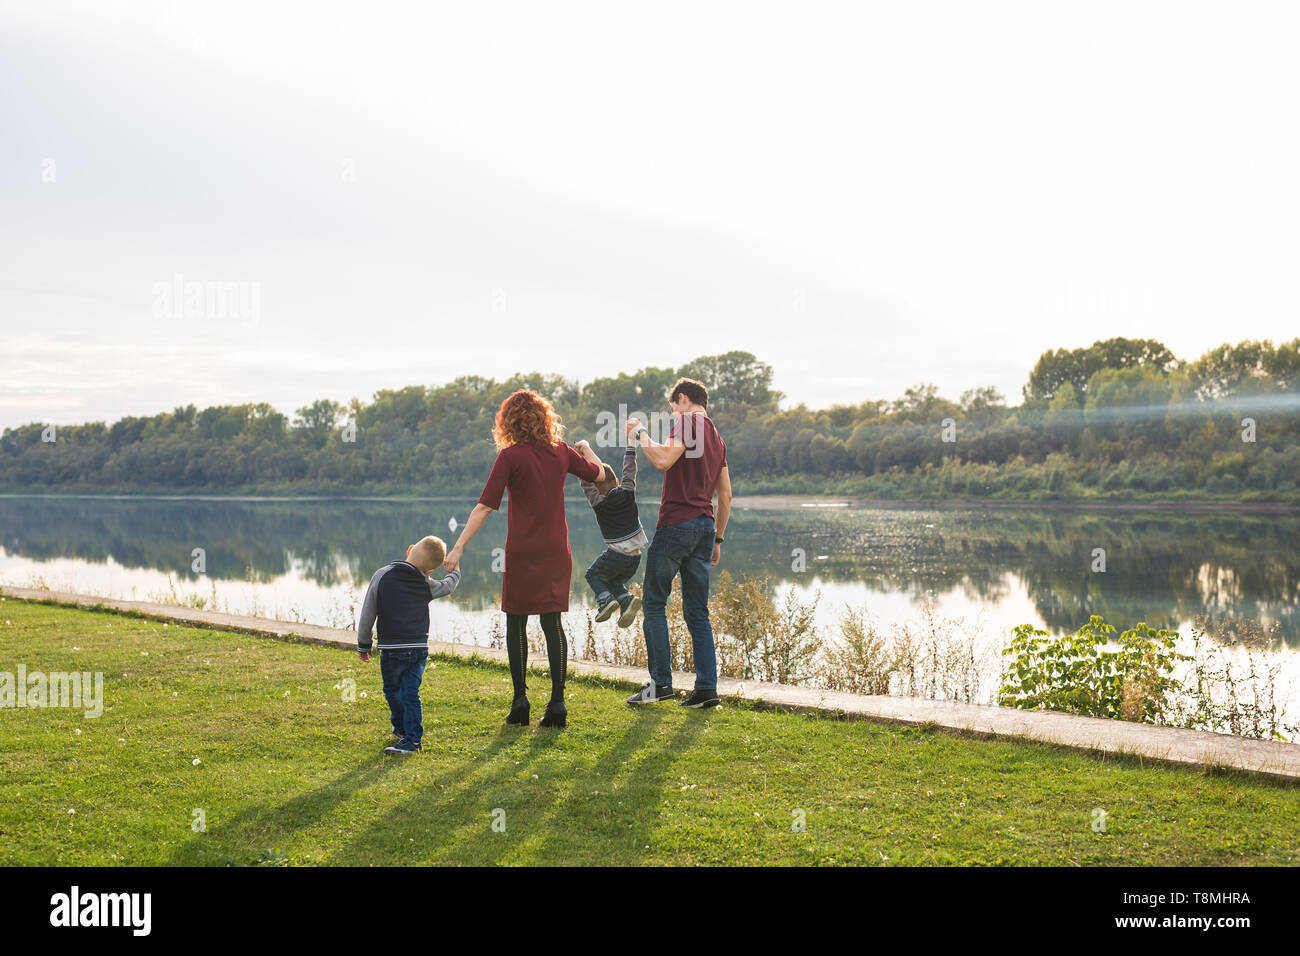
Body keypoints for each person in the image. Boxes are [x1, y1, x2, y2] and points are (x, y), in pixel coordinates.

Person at [443, 389, 604, 729]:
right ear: (546, 419)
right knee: (552, 623)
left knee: (516, 622)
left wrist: (458, 547)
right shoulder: (562, 453)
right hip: (556, 551)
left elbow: (485, 506)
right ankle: (557, 704)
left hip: (521, 551)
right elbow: (601, 477)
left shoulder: (509, 457)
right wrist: (588, 452)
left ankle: (520, 702)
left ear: (509, 422)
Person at [624, 377, 731, 709]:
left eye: (672, 406)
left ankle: (661, 685)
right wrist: (717, 539)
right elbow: (725, 497)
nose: (672, 413)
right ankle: (706, 690)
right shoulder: (717, 437)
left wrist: (641, 433)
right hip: (704, 528)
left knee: (654, 604)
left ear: (683, 399)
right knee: (697, 612)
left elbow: (662, 461)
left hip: (676, 525)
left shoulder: (686, 423)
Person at [356, 535, 461, 755]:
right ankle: (408, 735)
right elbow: (447, 587)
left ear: (409, 549)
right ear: (430, 570)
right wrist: (455, 572)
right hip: (418, 650)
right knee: (411, 692)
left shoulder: (381, 575)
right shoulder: (425, 582)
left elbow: (368, 613)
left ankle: (407, 735)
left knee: (393, 690)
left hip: (392, 650)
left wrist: (364, 644)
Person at [573, 436, 648, 628]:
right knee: (612, 581)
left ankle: (605, 601)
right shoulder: (628, 491)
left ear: (596, 488)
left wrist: (580, 458)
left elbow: (586, 483)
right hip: (636, 558)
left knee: (593, 575)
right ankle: (626, 600)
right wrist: (631, 444)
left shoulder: (598, 502)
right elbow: (629, 468)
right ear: (616, 480)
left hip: (617, 556)